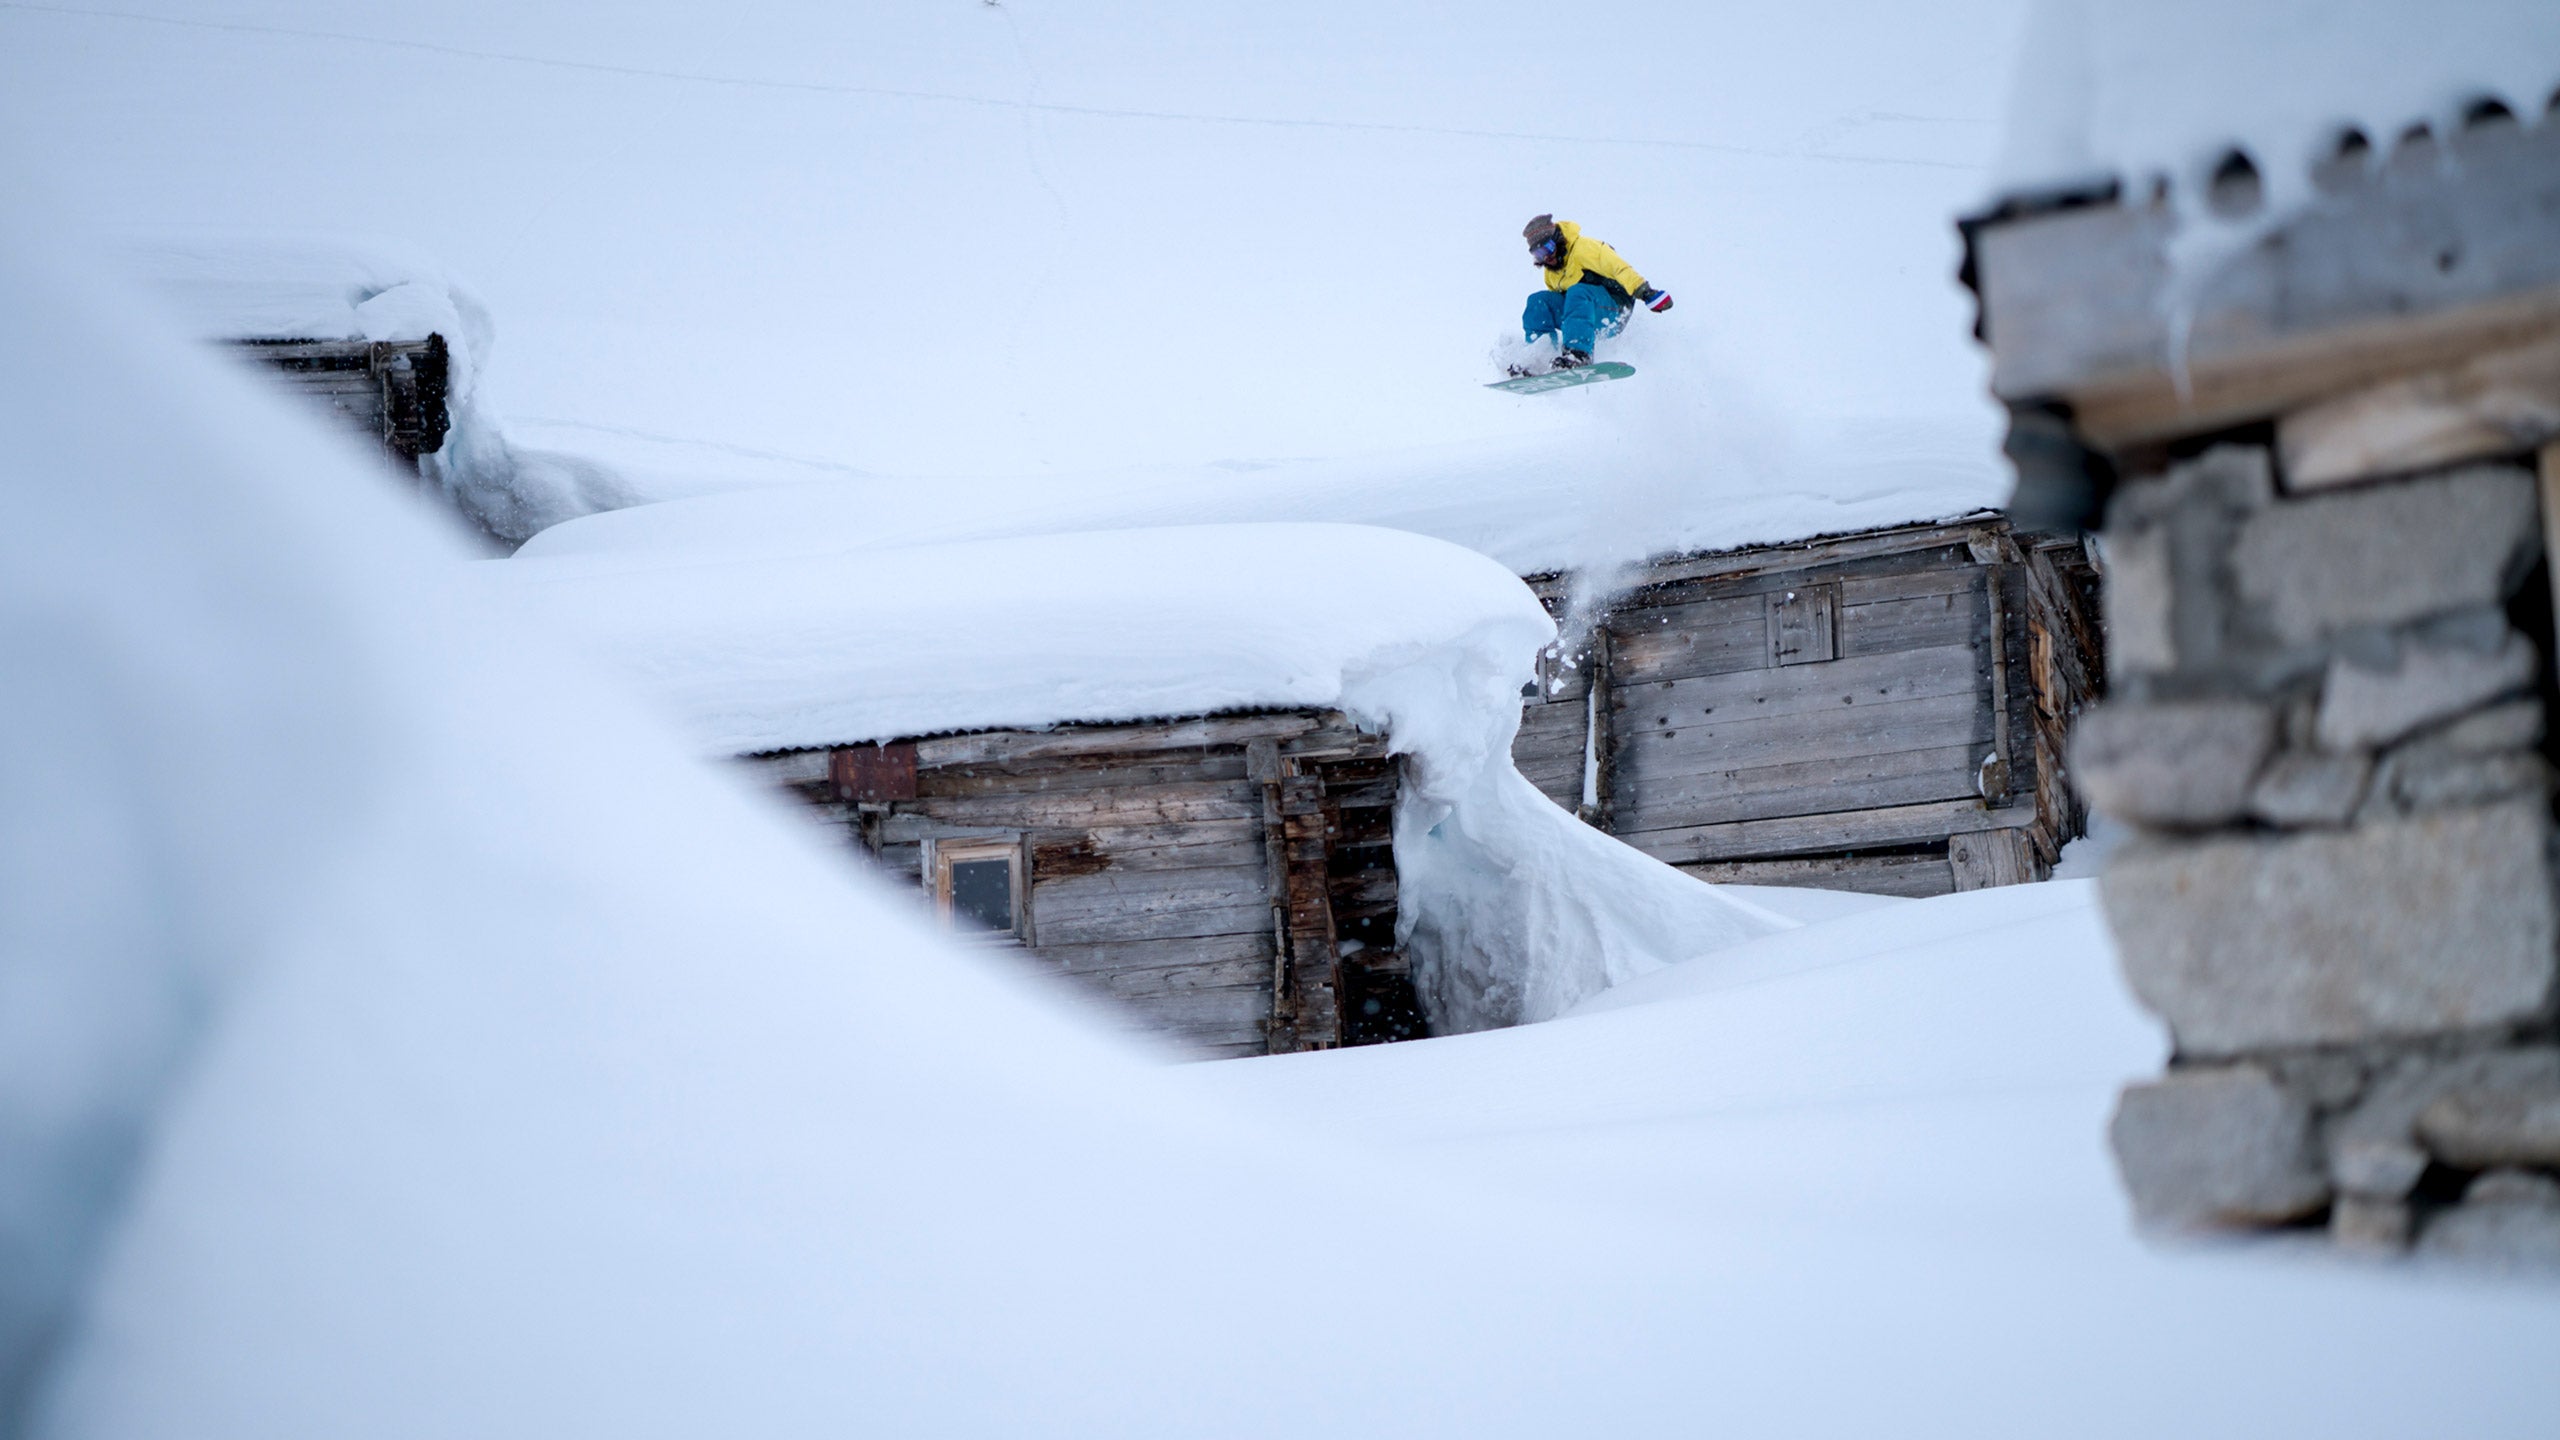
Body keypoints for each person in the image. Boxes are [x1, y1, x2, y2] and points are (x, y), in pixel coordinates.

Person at [1517, 213, 1672, 372]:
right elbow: (1566, 309)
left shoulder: (1584, 248)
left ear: (1558, 239)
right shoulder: (1551, 273)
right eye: (1539, 254)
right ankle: (1538, 360)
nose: (1547, 257)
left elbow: (1619, 267)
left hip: (1615, 310)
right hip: (1586, 313)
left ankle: (1579, 355)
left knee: (1578, 292)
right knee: (1538, 301)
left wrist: (1645, 292)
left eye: (1548, 248)